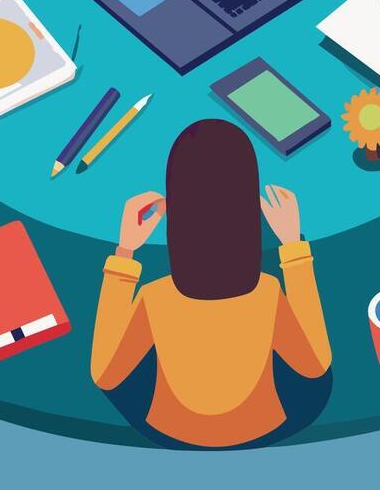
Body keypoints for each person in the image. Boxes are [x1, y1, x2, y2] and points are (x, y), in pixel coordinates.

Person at [90, 119, 331, 447]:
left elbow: (105, 375)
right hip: (262, 425)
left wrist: (125, 252)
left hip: (168, 428)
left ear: (174, 208)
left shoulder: (154, 297)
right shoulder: (268, 293)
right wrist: (293, 247)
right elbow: (315, 366)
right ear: (248, 207)